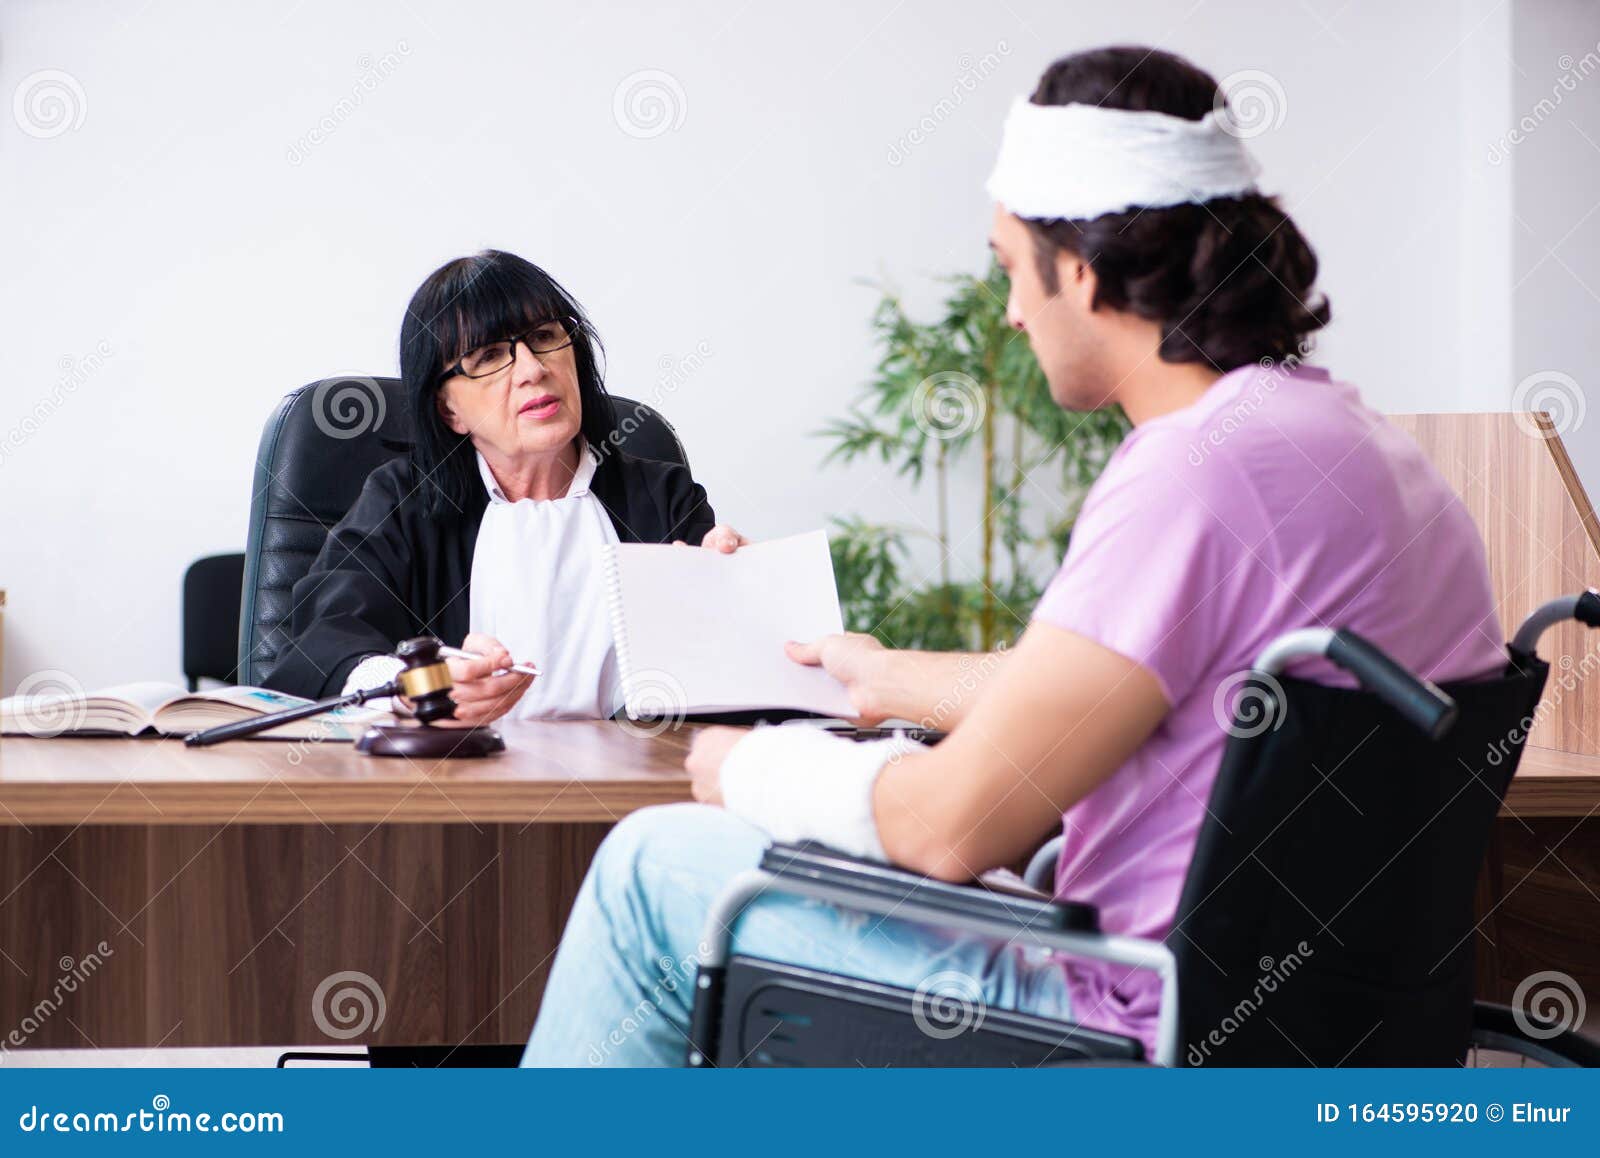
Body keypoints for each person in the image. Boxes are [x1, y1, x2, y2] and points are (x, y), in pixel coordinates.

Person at [521, 46, 1507, 1065]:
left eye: (1009, 268)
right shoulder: (1356, 446)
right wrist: (884, 677)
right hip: (1292, 1039)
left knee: (651, 866)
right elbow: (1110, 691)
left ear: (1077, 270)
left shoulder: (1191, 474)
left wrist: (752, 766)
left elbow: (951, 829)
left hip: (1115, 1027)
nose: (1008, 312)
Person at [266, 250, 746, 723]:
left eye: (543, 337)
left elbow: (722, 689)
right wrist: (419, 688)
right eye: (490, 356)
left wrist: (740, 591)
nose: (533, 370)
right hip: (451, 788)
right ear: (448, 409)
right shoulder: (403, 501)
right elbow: (319, 645)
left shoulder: (662, 497)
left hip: (625, 788)